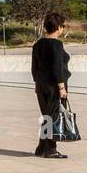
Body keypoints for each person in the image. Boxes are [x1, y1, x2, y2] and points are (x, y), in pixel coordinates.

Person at [31, 12, 72, 159]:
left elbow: (34, 68)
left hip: (41, 85)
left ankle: (42, 147)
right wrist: (61, 87)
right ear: (59, 27)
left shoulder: (38, 44)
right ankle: (51, 149)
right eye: (62, 26)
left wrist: (37, 82)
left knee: (46, 117)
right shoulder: (56, 44)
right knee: (53, 117)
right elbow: (56, 67)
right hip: (54, 86)